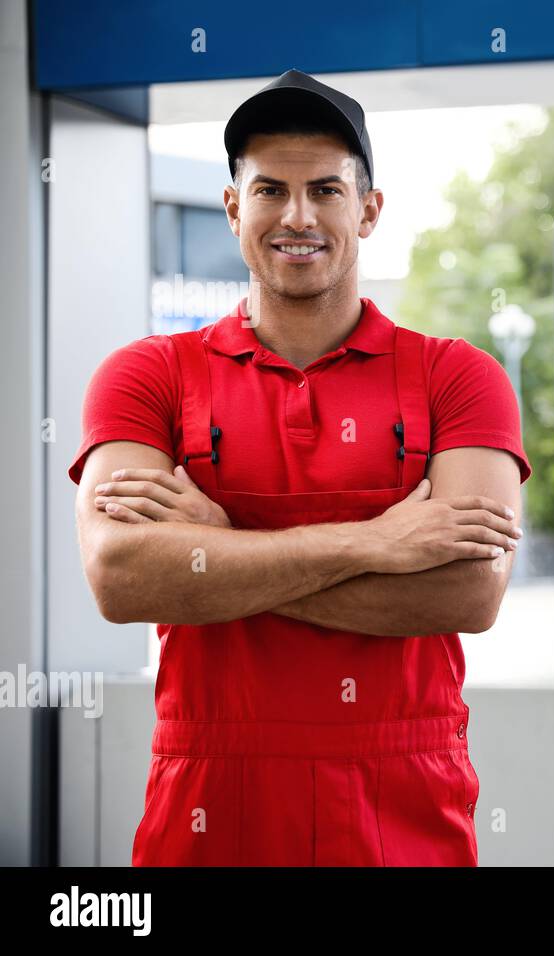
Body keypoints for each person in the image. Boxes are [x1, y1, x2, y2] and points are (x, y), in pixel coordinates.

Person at [68, 69, 530, 866]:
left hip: (403, 801)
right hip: (209, 796)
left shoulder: (458, 378)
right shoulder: (147, 377)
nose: (298, 216)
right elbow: (121, 578)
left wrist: (219, 544)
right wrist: (373, 543)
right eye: (270, 190)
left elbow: (466, 590)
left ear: (369, 209)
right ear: (232, 207)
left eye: (325, 188)